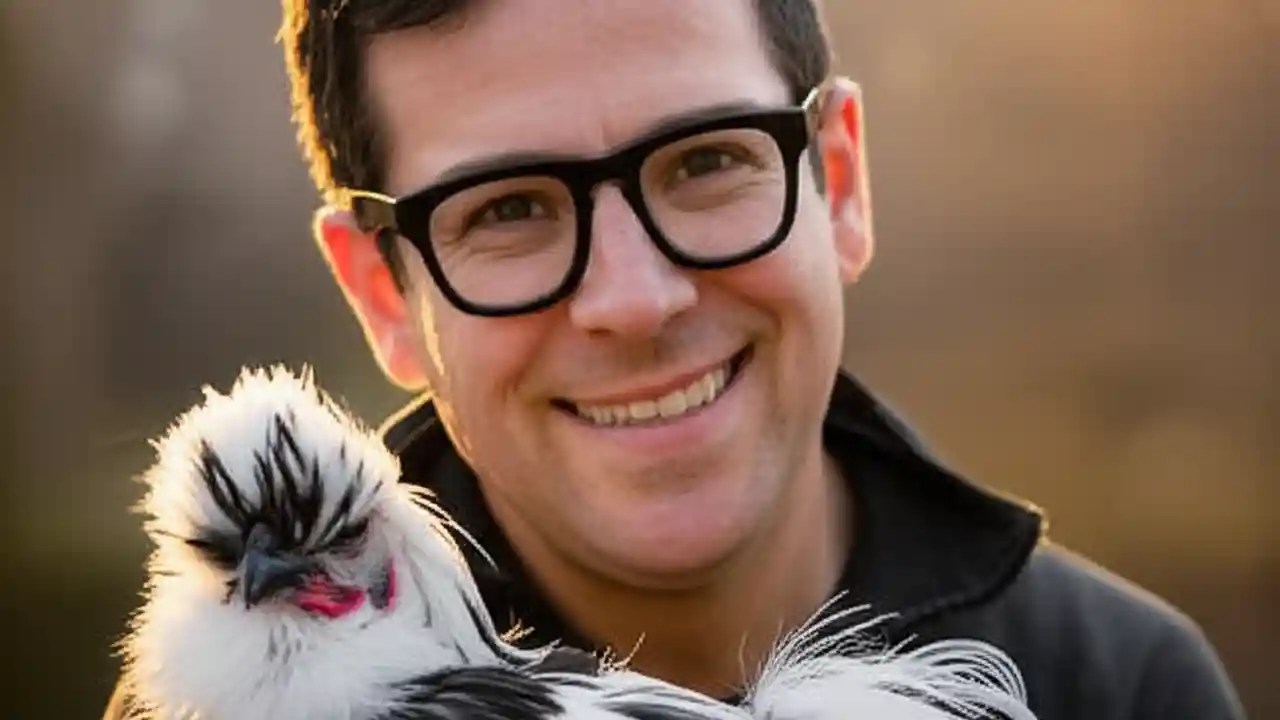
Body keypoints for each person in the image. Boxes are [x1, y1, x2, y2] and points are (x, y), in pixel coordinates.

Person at [105, 1, 1245, 718]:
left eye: (705, 163)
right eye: (506, 209)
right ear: (382, 296)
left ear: (836, 184)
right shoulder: (206, 708)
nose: (633, 301)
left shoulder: (1118, 687)